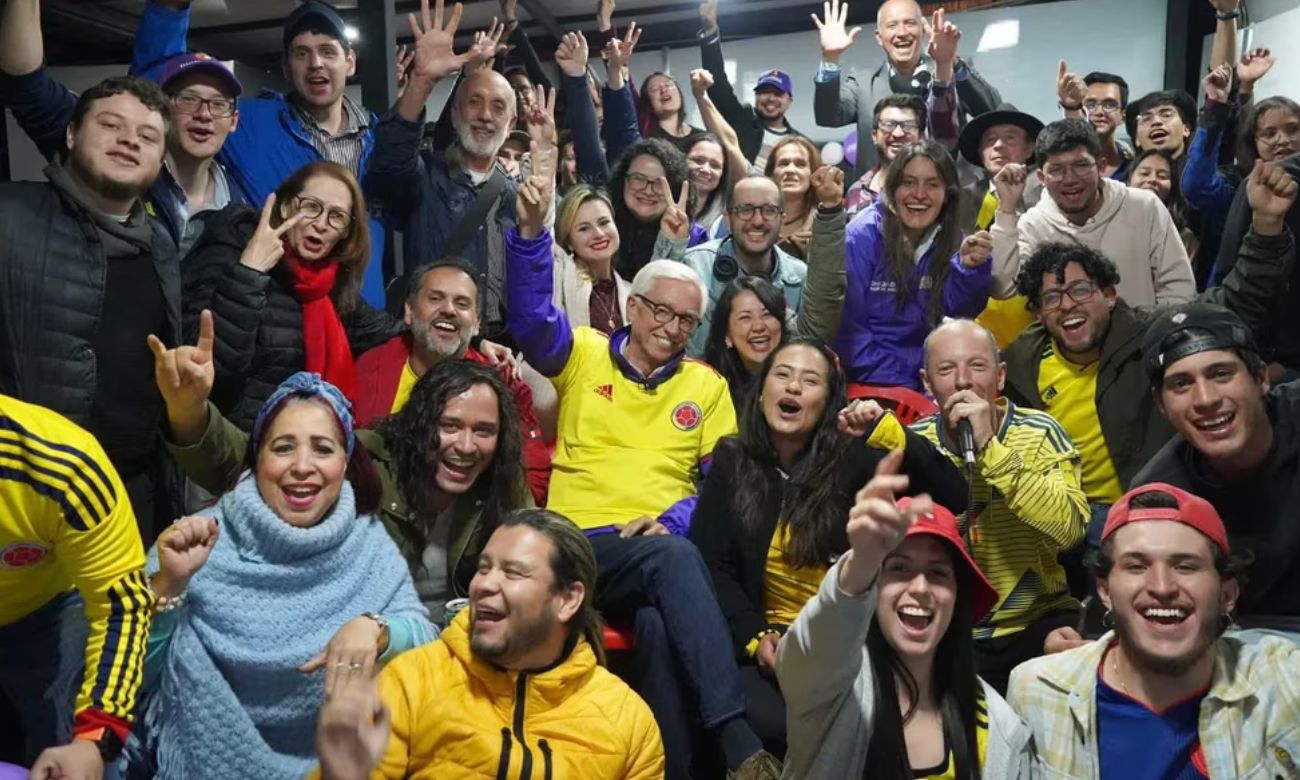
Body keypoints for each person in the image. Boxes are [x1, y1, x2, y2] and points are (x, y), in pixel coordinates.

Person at [506, 160, 780, 779]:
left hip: (652, 555)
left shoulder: (704, 386)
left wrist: (673, 520)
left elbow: (725, 483)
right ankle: (741, 746)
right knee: (676, 561)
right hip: (574, 547)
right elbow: (527, 323)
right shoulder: (581, 352)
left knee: (660, 623)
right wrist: (528, 237)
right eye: (660, 310)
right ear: (633, 305)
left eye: (686, 319)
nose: (671, 327)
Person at [125, 372, 435, 779]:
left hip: (337, 766)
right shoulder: (192, 543)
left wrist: (378, 629)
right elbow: (126, 677)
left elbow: (427, 642)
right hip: (201, 759)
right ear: (259, 458)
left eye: (323, 449)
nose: (302, 467)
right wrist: (169, 585)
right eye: (283, 448)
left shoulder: (369, 543)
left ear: (346, 462)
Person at [153, 312, 532, 626]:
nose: (466, 446)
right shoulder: (370, 458)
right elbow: (247, 459)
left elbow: (541, 551)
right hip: (365, 649)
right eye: (449, 426)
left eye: (483, 431)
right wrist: (189, 410)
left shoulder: (501, 477)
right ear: (420, 424)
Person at [690, 340, 969, 758]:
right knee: (756, 716)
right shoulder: (734, 458)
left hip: (849, 644)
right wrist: (755, 636)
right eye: (782, 375)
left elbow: (955, 493)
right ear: (762, 389)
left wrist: (889, 431)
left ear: (828, 400)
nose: (794, 387)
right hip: (772, 644)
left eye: (810, 380)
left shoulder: (854, 458)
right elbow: (713, 563)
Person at [999, 161, 1296, 544]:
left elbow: (1236, 300)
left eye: (1080, 290)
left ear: (1109, 296)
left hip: (1145, 511)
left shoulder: (1149, 335)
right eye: (1052, 297)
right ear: (1038, 313)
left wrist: (1267, 226)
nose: (1067, 304)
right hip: (1056, 522)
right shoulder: (1019, 363)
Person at [312, 510, 665, 779]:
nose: (483, 585)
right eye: (484, 568)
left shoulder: (628, 721)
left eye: (513, 572)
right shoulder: (412, 681)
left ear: (568, 600)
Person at [1008, 483, 1300, 778]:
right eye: (1136, 566)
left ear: (1227, 595)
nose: (1162, 587)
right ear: (1105, 591)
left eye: (1185, 566)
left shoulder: (1281, 681)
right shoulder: (1038, 690)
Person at [0, 74, 181, 543]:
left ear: (161, 161)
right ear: (71, 133)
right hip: (23, 505)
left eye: (147, 136)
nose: (128, 141)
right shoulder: (9, 216)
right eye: (111, 125)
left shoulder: (161, 245)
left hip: (128, 499)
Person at [778, 451, 1033, 780]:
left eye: (938, 573)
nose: (921, 587)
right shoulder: (834, 687)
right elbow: (813, 650)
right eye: (899, 568)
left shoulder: (998, 723)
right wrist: (861, 565)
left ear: (957, 598)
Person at [868, 318, 1089, 693]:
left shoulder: (1039, 433)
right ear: (926, 383)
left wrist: (991, 449)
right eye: (946, 369)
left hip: (1036, 622)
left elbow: (1071, 531)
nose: (962, 381)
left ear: (1000, 377)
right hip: (943, 628)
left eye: (977, 366)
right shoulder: (911, 444)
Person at [133, 0, 392, 304]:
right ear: (286, 67)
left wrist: (420, 87)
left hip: (364, 322)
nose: (316, 63)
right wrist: (169, 10)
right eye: (301, 53)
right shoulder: (248, 124)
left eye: (327, 51)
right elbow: (153, 90)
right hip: (284, 321)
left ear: (350, 62)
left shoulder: (381, 142)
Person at [0, 0, 244, 255]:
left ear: (234, 120)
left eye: (218, 104)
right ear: (164, 112)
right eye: (188, 99)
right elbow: (26, 84)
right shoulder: (122, 166)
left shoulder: (239, 194)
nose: (204, 114)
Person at [183, 161, 401, 430]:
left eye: (337, 216)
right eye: (311, 206)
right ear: (285, 207)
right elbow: (204, 365)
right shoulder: (231, 248)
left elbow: (389, 333)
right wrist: (249, 271)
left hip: (300, 447)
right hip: (224, 449)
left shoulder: (328, 285)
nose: (321, 223)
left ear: (345, 232)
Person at [0, 394, 153, 777]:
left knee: (71, 749)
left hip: (44, 608)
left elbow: (122, 603)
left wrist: (95, 738)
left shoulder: (66, 465)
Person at [1131, 302, 1300, 628]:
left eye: (1221, 374)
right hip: (1244, 644)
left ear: (1261, 377)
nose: (1206, 399)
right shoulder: (1161, 495)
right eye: (1181, 384)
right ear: (1161, 405)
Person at [367, 1, 516, 339]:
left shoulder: (516, 197)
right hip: (429, 343)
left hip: (497, 348)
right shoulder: (424, 176)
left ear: (511, 124)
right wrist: (421, 83)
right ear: (454, 114)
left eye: (497, 107)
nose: (485, 116)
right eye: (474, 103)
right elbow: (388, 168)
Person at [352, 257, 552, 506]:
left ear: (477, 323)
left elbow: (532, 474)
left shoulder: (503, 381)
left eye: (462, 303)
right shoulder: (369, 366)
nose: (449, 310)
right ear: (409, 312)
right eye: (435, 298)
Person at [835, 141, 994, 390]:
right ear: (892, 188)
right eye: (909, 182)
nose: (919, 195)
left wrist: (970, 270)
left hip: (930, 380)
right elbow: (851, 339)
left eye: (932, 184)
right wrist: (911, 387)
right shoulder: (860, 237)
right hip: (872, 382)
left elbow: (960, 312)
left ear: (947, 193)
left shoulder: (951, 237)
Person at [989, 119, 1195, 309]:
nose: (1069, 179)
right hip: (1066, 346)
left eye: (1080, 166)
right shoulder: (1033, 225)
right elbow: (1004, 288)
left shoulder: (1144, 206)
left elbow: (1179, 289)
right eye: (1057, 169)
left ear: (1101, 167)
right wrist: (1007, 208)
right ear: (1042, 177)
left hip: (1145, 340)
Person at [812, 0, 1001, 178]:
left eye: (910, 23)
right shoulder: (862, 82)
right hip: (878, 200)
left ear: (922, 28)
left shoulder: (950, 69)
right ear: (879, 37)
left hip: (948, 197)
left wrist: (953, 62)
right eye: (892, 25)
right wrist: (830, 59)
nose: (902, 32)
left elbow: (993, 110)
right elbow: (827, 116)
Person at [681, 170, 847, 356]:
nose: (758, 221)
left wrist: (831, 208)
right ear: (727, 219)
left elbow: (813, 341)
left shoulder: (799, 277)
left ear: (781, 219)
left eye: (769, 210)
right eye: (745, 210)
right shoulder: (695, 266)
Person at [956, 105, 1044, 349]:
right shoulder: (958, 201)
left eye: (1010, 138)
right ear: (980, 151)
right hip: (970, 330)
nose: (999, 146)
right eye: (990, 140)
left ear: (1030, 148)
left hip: (1035, 330)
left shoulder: (1048, 196)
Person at [697, 0, 803, 171]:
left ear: (789, 100)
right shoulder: (742, 119)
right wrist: (710, 31)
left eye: (777, 94)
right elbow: (718, 87)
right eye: (764, 92)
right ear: (755, 96)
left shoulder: (799, 142)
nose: (770, 98)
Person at [1180, 51, 1282, 219]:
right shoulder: (1242, 186)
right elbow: (1198, 186)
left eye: (1293, 130)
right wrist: (1217, 103)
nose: (1282, 139)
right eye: (1270, 134)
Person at [844, 93, 959, 220]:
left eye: (908, 125)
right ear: (874, 136)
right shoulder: (856, 191)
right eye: (888, 125)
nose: (898, 133)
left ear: (921, 136)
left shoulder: (936, 190)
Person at [608, 137, 702, 279]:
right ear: (623, 181)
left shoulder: (695, 238)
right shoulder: (602, 227)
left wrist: (673, 244)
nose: (648, 190)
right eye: (638, 178)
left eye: (659, 183)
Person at [1055, 66, 1134, 180]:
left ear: (1122, 116)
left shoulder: (1136, 165)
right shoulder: (1056, 165)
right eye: (1091, 105)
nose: (1099, 112)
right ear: (1081, 110)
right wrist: (1070, 106)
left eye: (1109, 105)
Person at [1128, 148, 1199, 264]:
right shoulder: (1108, 222)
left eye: (1162, 176)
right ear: (1129, 181)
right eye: (1144, 173)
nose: (1152, 180)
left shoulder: (1184, 238)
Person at [764, 136, 822, 260]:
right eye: (783, 164)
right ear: (771, 173)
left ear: (813, 173)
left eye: (800, 164)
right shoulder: (755, 220)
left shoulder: (824, 224)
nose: (790, 170)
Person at [1125, 89, 1197, 160]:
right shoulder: (1129, 171)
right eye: (1146, 118)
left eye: (1166, 115)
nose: (1156, 121)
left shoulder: (1203, 168)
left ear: (1186, 129)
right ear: (1136, 138)